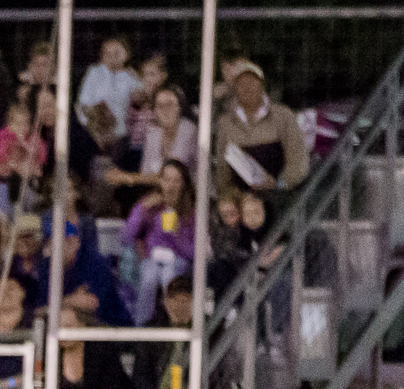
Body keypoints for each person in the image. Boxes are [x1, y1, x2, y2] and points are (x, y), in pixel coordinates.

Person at [212, 60, 307, 199]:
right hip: (243, 204)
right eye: (241, 83)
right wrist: (230, 195)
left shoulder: (283, 115)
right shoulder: (225, 123)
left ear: (262, 85)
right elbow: (222, 171)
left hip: (280, 198)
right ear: (234, 89)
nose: (246, 87)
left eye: (252, 81)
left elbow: (298, 160)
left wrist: (279, 184)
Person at [123, 159, 195, 324]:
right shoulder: (152, 205)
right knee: (149, 278)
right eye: (167, 180)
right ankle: (141, 328)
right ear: (160, 181)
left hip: (178, 260)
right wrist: (141, 210)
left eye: (176, 180)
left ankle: (173, 325)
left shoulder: (190, 211)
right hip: (152, 259)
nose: (171, 185)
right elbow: (127, 236)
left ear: (183, 184)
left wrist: (179, 233)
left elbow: (193, 252)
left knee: (168, 277)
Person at [76, 37, 139, 153]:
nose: (112, 57)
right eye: (107, 53)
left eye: (116, 53)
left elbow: (139, 102)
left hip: (123, 139)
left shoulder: (131, 76)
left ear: (125, 54)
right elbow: (83, 104)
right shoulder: (94, 73)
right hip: (94, 137)